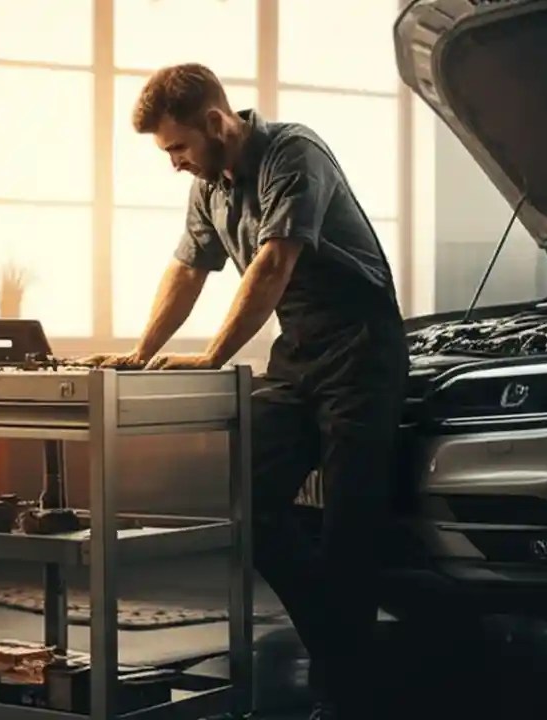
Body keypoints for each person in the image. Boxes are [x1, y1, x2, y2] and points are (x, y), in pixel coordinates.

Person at [82, 63, 408, 719]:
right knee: (246, 500)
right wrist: (143, 354)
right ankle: (353, 656)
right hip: (298, 353)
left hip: (363, 350)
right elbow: (187, 268)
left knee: (351, 532)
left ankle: (345, 694)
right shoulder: (208, 186)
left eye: (177, 147)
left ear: (213, 122)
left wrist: (209, 357)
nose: (173, 163)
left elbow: (273, 264)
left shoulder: (295, 152)